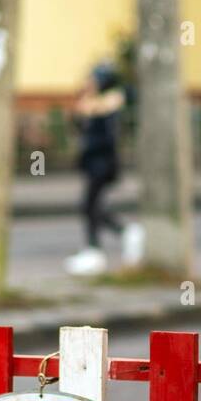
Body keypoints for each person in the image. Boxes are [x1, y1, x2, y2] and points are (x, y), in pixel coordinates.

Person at [65, 64, 126, 275]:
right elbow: (77, 126)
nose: (88, 83)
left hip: (102, 164)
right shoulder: (92, 105)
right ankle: (124, 234)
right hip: (93, 165)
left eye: (92, 79)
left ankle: (96, 251)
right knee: (90, 206)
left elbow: (105, 139)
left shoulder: (108, 105)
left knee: (89, 206)